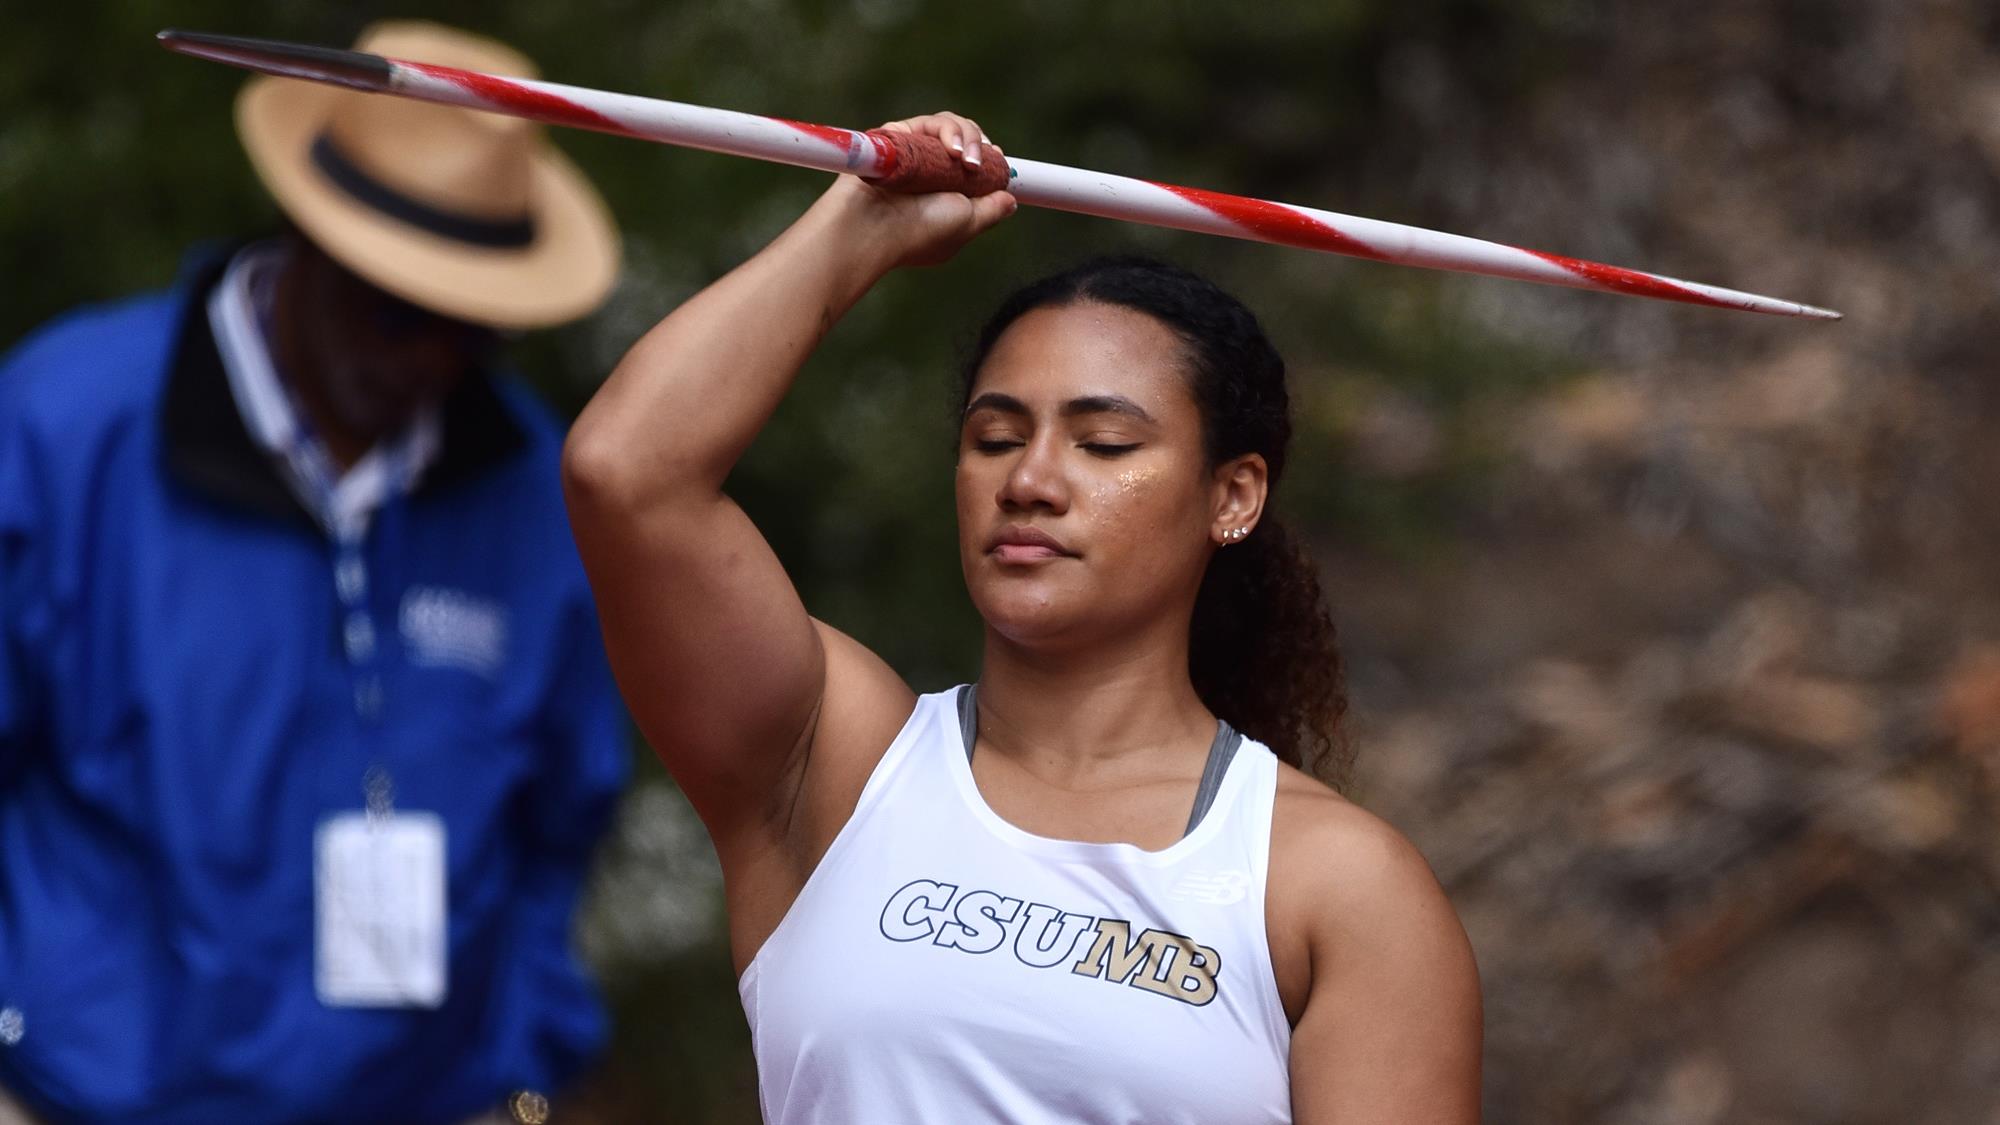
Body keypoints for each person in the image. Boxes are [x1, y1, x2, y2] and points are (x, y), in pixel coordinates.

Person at [563, 111, 1482, 1122]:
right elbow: (628, 475)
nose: (1031, 480)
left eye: (1103, 446)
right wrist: (854, 230)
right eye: (996, 437)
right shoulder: (836, 768)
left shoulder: (1333, 885)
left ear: (1233, 497)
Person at [0, 22, 627, 1125]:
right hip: (78, 1096)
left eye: (475, 328)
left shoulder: (537, 493)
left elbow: (565, 812)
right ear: (309, 235)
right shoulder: (62, 429)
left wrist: (518, 1057)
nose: (430, 357)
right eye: (399, 308)